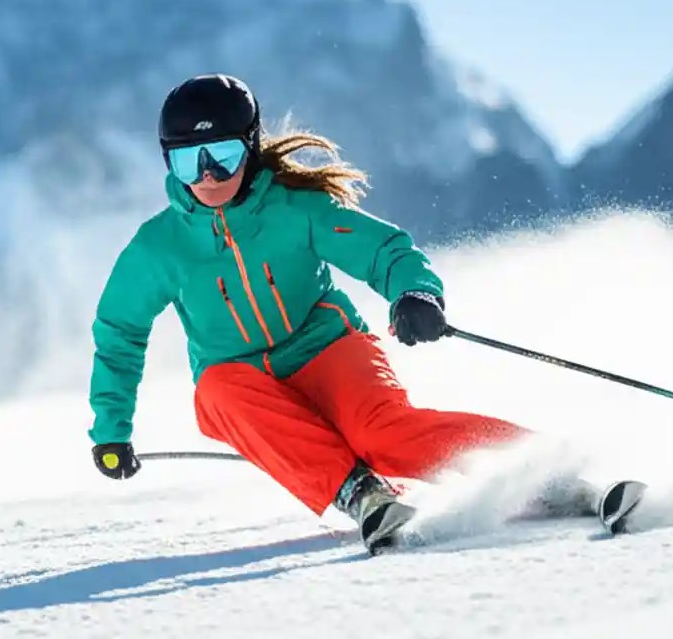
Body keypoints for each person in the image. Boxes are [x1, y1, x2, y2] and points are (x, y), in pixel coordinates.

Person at [86, 73, 529, 552]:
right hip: (246, 384)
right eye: (189, 161)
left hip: (329, 351)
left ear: (251, 148)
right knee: (214, 390)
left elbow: (382, 249)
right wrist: (112, 430)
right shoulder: (159, 247)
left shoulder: (296, 210)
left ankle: (541, 469)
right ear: (168, 162)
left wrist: (414, 293)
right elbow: (120, 332)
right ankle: (366, 498)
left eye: (223, 156)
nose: (208, 175)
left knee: (382, 434)